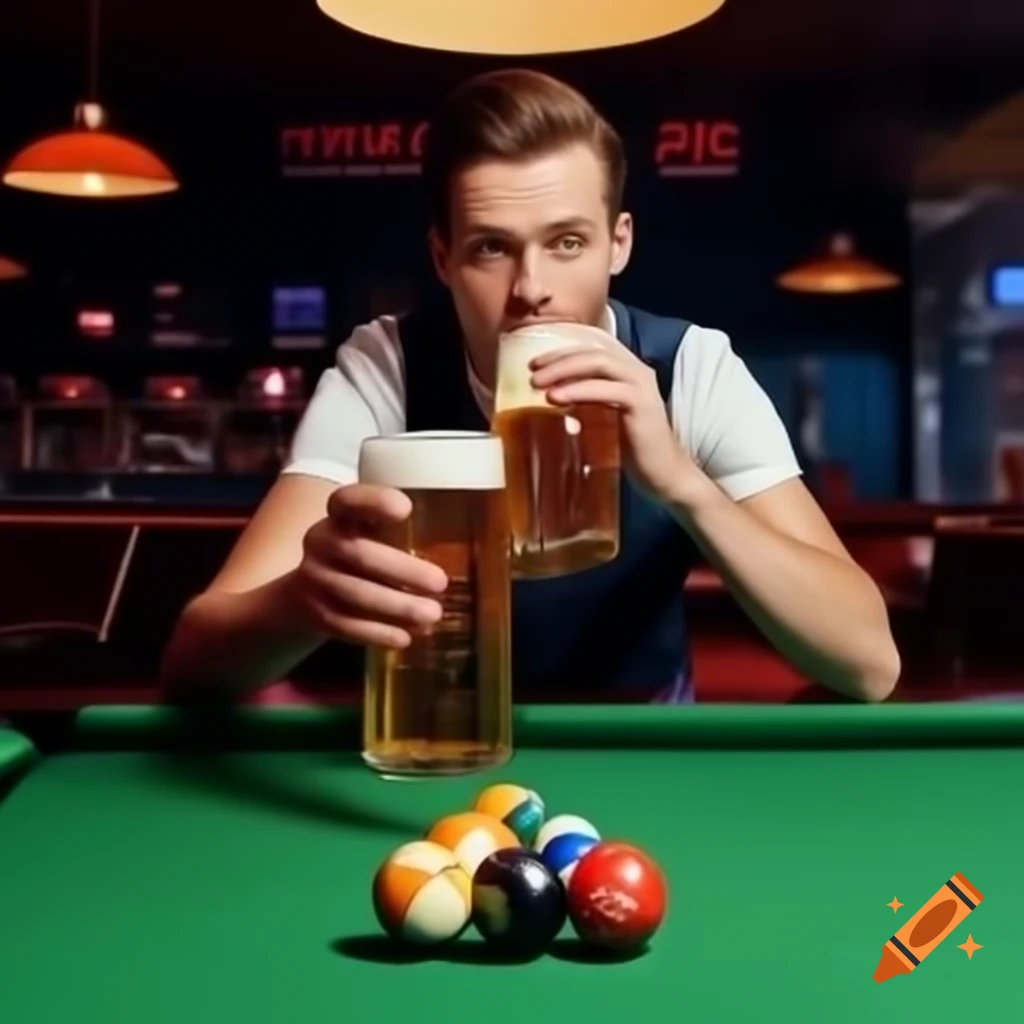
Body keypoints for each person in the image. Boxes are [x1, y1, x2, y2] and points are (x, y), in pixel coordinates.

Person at [160, 69, 900, 704]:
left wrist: (682, 482)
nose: (531, 290)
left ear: (620, 244)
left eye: (567, 242)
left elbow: (869, 664)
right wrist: (299, 601)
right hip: (438, 749)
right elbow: (192, 667)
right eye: (491, 249)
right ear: (443, 258)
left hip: (645, 748)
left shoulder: (692, 367)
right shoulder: (388, 364)